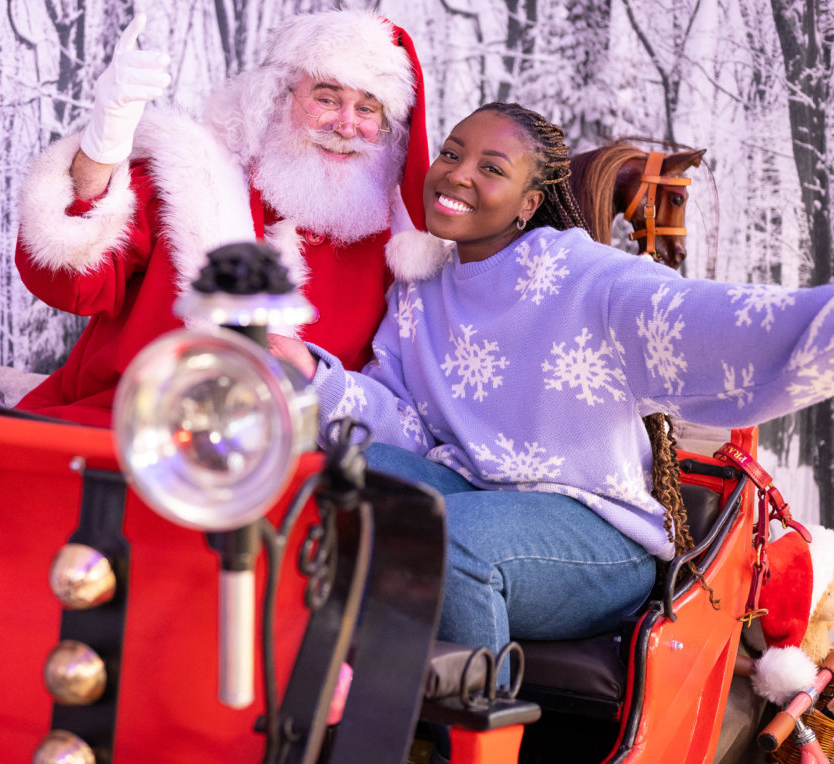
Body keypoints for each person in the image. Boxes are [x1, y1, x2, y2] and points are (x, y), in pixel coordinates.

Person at [271, 100, 834, 681]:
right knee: (333, 475)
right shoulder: (419, 290)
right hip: (473, 491)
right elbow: (403, 426)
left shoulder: (588, 279)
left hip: (592, 534)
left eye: (492, 168)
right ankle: (313, 694)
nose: (458, 174)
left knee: (447, 540)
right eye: (451, 154)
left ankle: (473, 725)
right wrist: (312, 376)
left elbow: (720, 325)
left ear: (529, 202)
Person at [14, 10, 447, 427]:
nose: (347, 126)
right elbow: (69, 281)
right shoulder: (187, 177)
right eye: (327, 99)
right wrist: (101, 148)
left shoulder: (394, 240)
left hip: (289, 456)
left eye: (368, 109)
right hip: (129, 427)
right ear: (276, 100)